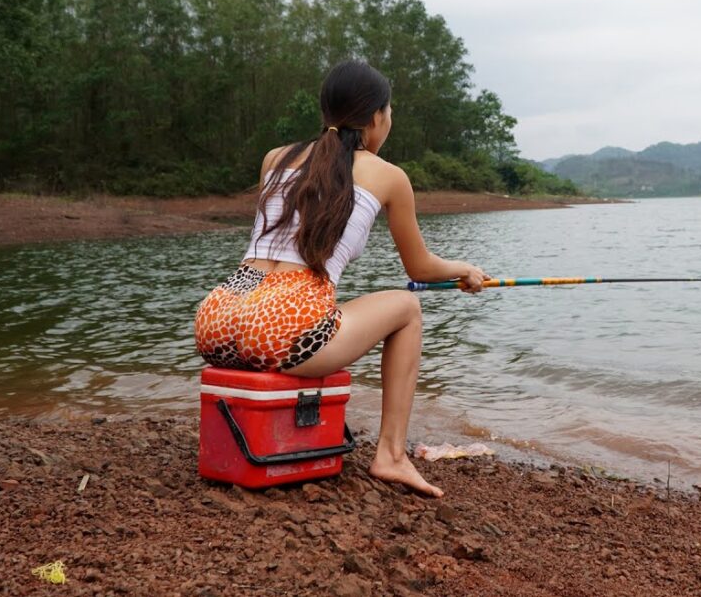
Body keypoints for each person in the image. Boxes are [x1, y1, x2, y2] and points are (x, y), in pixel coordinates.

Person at [194, 60, 488, 498]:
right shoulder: (389, 176)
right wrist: (464, 270)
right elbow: (420, 269)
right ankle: (390, 454)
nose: (389, 122)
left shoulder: (276, 158)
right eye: (389, 113)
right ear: (375, 117)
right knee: (407, 307)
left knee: (312, 314)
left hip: (217, 317)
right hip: (283, 327)